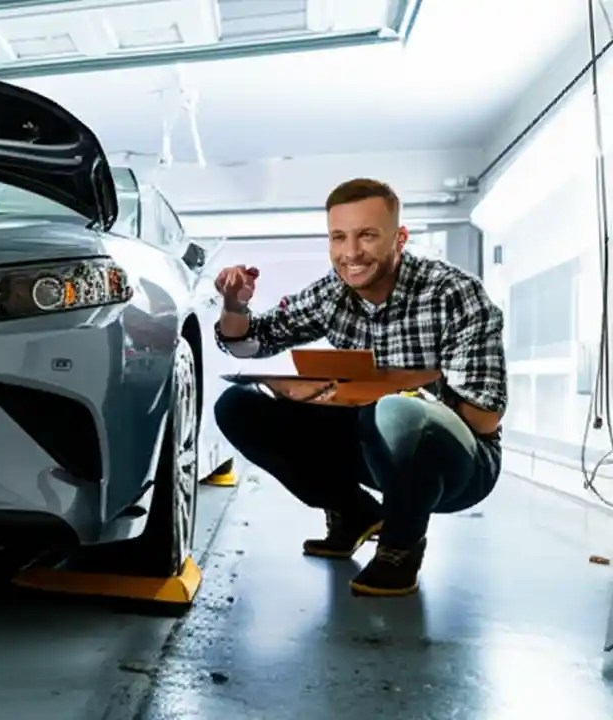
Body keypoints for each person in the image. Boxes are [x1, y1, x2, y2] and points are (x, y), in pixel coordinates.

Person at [211, 177, 507, 597]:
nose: (351, 253)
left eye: (367, 236)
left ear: (399, 238)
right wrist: (234, 305)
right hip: (372, 446)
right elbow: (247, 343)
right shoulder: (333, 294)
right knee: (236, 405)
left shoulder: (455, 293)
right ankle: (354, 514)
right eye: (339, 237)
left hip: (460, 465)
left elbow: (484, 417)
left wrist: (391, 393)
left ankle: (399, 550)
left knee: (395, 411)